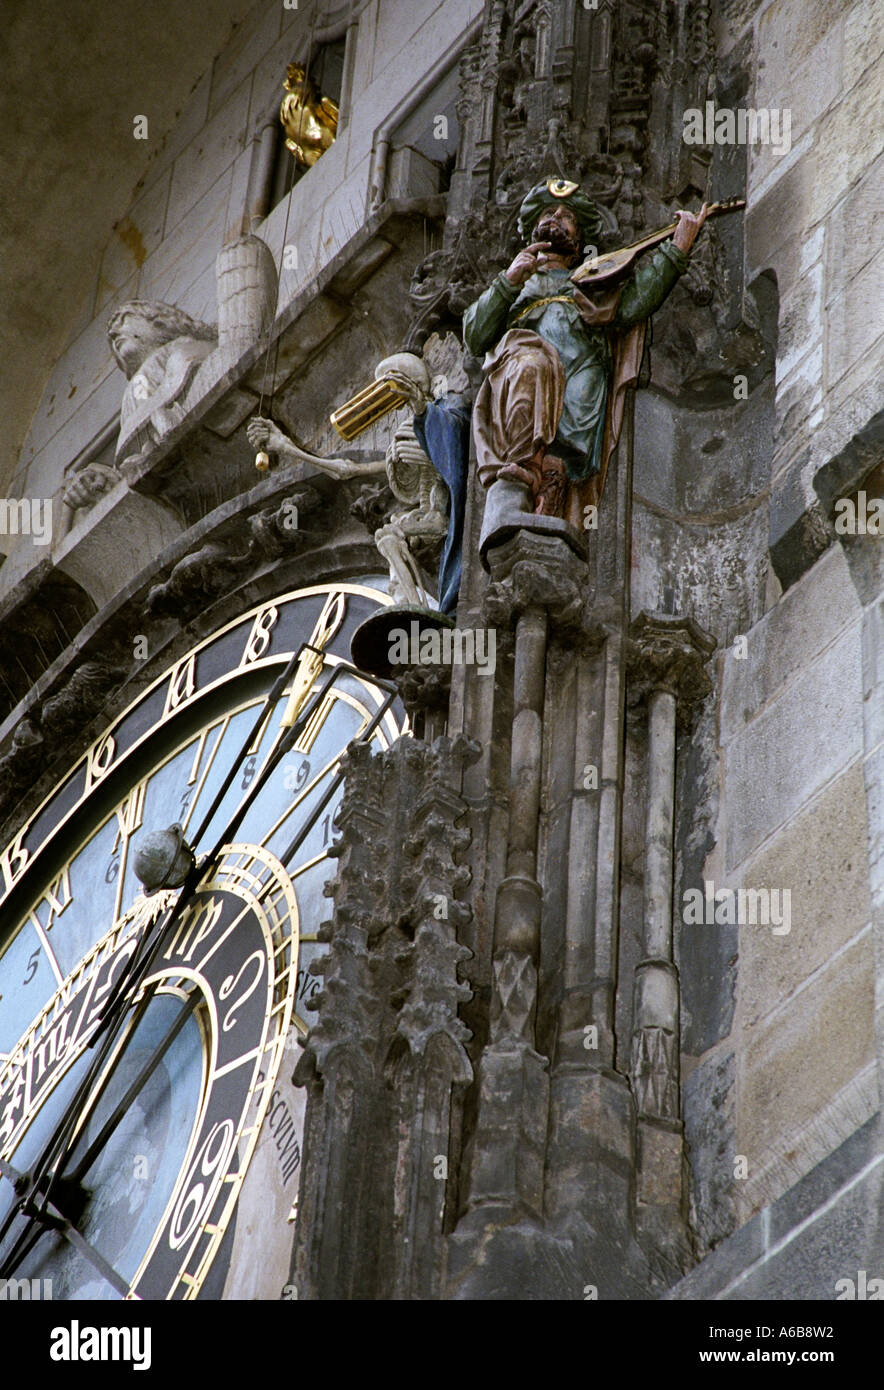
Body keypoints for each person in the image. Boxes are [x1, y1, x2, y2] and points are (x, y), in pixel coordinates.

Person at [463, 177, 708, 528]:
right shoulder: (517, 284)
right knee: (531, 366)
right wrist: (509, 280)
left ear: (578, 241)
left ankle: (552, 487)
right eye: (549, 213)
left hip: (582, 367)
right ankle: (521, 479)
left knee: (573, 423)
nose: (556, 219)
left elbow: (633, 304)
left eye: (567, 217)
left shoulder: (589, 279)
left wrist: (677, 248)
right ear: (533, 229)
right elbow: (474, 335)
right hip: (524, 367)